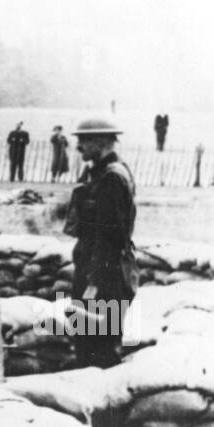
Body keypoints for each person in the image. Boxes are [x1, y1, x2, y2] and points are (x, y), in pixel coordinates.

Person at [66, 118, 137, 369]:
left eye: (83, 141)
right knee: (87, 340)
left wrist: (94, 283)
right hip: (97, 271)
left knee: (97, 346)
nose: (79, 147)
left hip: (104, 277)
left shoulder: (112, 178)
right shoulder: (101, 174)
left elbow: (110, 237)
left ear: (101, 141)